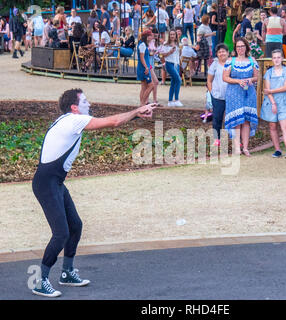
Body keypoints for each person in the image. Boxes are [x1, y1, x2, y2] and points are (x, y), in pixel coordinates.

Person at [31, 89, 155, 298]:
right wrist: (137, 111)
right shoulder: (73, 120)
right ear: (74, 107)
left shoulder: (68, 120)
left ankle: (67, 273)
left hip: (55, 182)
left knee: (75, 226)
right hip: (46, 183)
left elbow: (113, 121)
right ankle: (40, 281)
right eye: (85, 101)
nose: (90, 104)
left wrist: (136, 114)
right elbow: (113, 122)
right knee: (61, 233)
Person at [222, 37, 259, 156]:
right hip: (234, 92)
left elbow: (257, 77)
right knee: (237, 120)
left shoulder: (252, 60)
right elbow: (225, 77)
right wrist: (238, 81)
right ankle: (237, 147)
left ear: (246, 47)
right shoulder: (230, 61)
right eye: (238, 46)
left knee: (247, 120)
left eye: (242, 46)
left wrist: (250, 80)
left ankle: (246, 147)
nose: (240, 49)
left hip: (249, 93)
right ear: (235, 48)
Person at [261, 49, 286, 159]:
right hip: (271, 102)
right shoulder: (268, 73)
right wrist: (273, 103)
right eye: (274, 57)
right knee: (272, 126)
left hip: (284, 102)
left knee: (285, 127)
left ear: (282, 58)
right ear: (272, 59)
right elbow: (266, 89)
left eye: (278, 57)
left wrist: (271, 91)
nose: (276, 60)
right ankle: (277, 150)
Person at [207, 43, 229, 147]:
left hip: (230, 96)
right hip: (217, 96)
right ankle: (217, 139)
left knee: (232, 118)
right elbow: (209, 81)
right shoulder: (214, 65)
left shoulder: (231, 64)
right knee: (217, 117)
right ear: (217, 54)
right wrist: (212, 93)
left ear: (227, 53)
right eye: (219, 52)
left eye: (223, 51)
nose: (221, 53)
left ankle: (236, 139)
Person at [160, 30, 183, 107]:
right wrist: (170, 52)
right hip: (169, 63)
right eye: (171, 34)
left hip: (176, 64)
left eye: (174, 34)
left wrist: (180, 52)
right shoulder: (166, 44)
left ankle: (170, 100)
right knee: (178, 80)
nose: (172, 36)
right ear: (169, 36)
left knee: (173, 82)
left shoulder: (177, 44)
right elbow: (163, 55)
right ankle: (176, 99)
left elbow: (179, 55)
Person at [137, 30, 155, 105]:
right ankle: (143, 103)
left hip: (143, 67)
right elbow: (142, 57)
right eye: (150, 36)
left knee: (144, 87)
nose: (152, 37)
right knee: (151, 85)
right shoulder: (142, 45)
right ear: (147, 37)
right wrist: (146, 67)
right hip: (144, 68)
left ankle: (142, 104)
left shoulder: (142, 44)